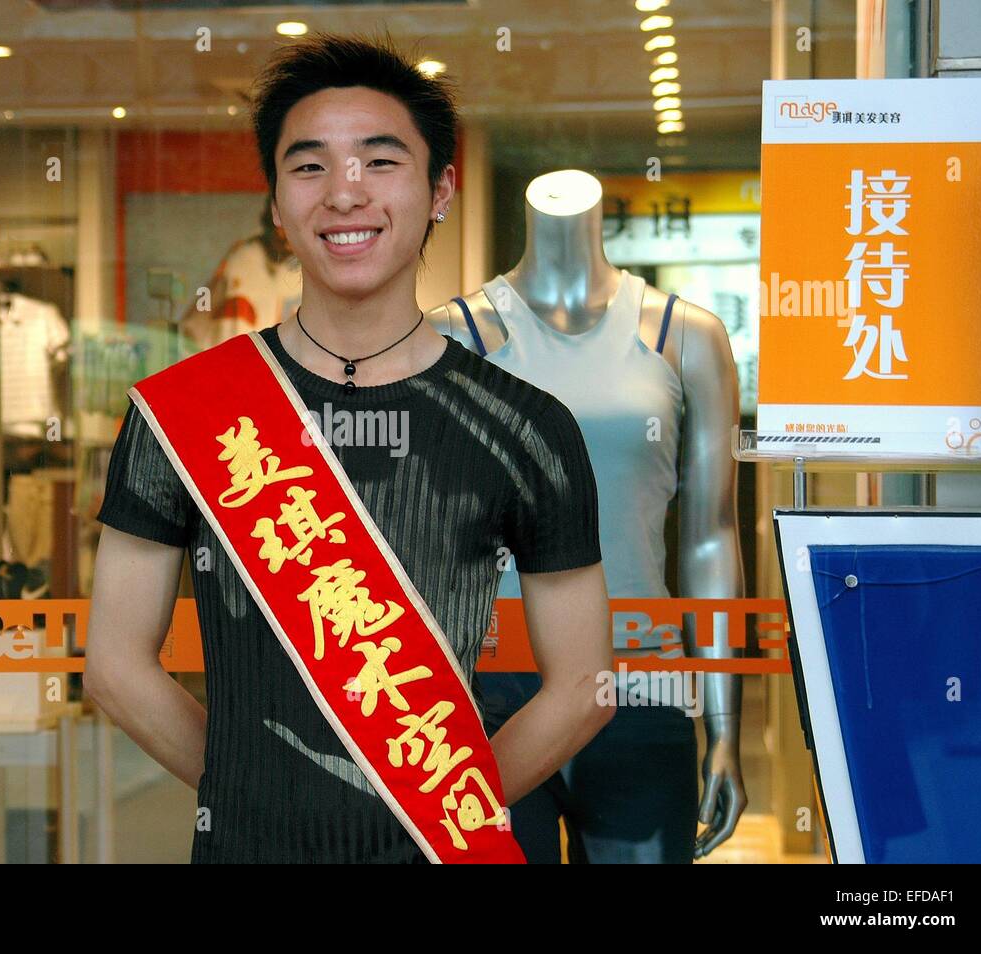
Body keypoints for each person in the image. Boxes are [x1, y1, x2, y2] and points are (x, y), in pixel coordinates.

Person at [84, 29, 613, 863]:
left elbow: (585, 687)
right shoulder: (183, 412)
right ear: (276, 202)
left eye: (380, 160)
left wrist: (438, 809)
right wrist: (250, 799)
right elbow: (114, 666)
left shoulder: (524, 427)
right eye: (309, 166)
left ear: (441, 190)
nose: (344, 193)